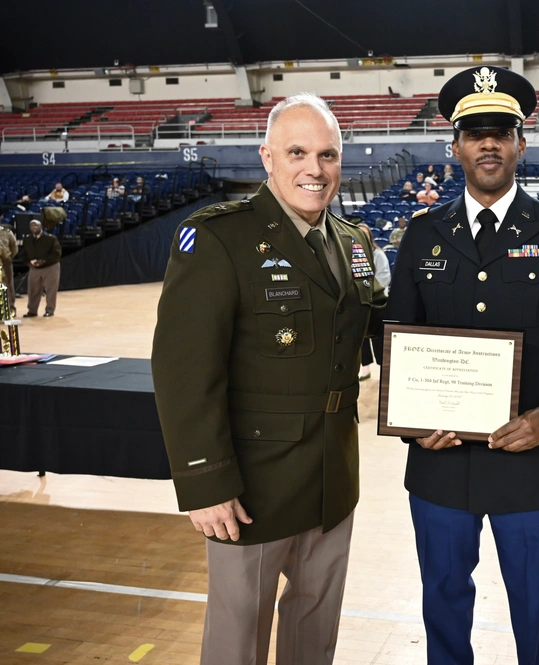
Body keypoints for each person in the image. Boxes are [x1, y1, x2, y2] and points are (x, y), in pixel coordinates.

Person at [385, 66, 539, 665]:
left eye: (501, 130)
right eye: (474, 132)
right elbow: (395, 341)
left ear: (520, 142)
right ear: (456, 146)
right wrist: (411, 419)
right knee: (441, 607)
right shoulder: (421, 235)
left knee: (534, 612)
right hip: (439, 463)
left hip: (531, 463)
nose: (488, 143)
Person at [150, 92, 387, 665]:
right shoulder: (219, 238)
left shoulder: (354, 243)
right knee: (238, 638)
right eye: (298, 152)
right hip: (252, 485)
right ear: (267, 157)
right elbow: (184, 369)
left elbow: (383, 336)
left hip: (333, 475)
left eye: (328, 155)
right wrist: (206, 483)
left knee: (315, 628)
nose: (315, 169)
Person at [356, 222, 390, 381]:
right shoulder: (352, 254)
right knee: (361, 338)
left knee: (379, 337)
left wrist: (368, 292)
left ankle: (384, 369)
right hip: (358, 302)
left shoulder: (378, 254)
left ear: (370, 236)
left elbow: (384, 277)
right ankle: (365, 369)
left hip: (377, 300)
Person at [22, 219, 62, 318]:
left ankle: (50, 310)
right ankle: (32, 310)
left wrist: (44, 261)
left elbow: (57, 253)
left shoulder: (51, 239)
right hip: (34, 268)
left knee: (50, 290)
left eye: (36, 225)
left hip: (50, 267)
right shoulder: (27, 240)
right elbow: (23, 253)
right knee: (33, 290)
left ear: (41, 227)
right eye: (32, 226)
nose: (34, 227)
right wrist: (28, 263)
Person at [0, 223, 17, 315]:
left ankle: (10, 309)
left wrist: (7, 258)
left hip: (5, 262)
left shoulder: (6, 232)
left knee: (8, 285)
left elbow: (14, 247)